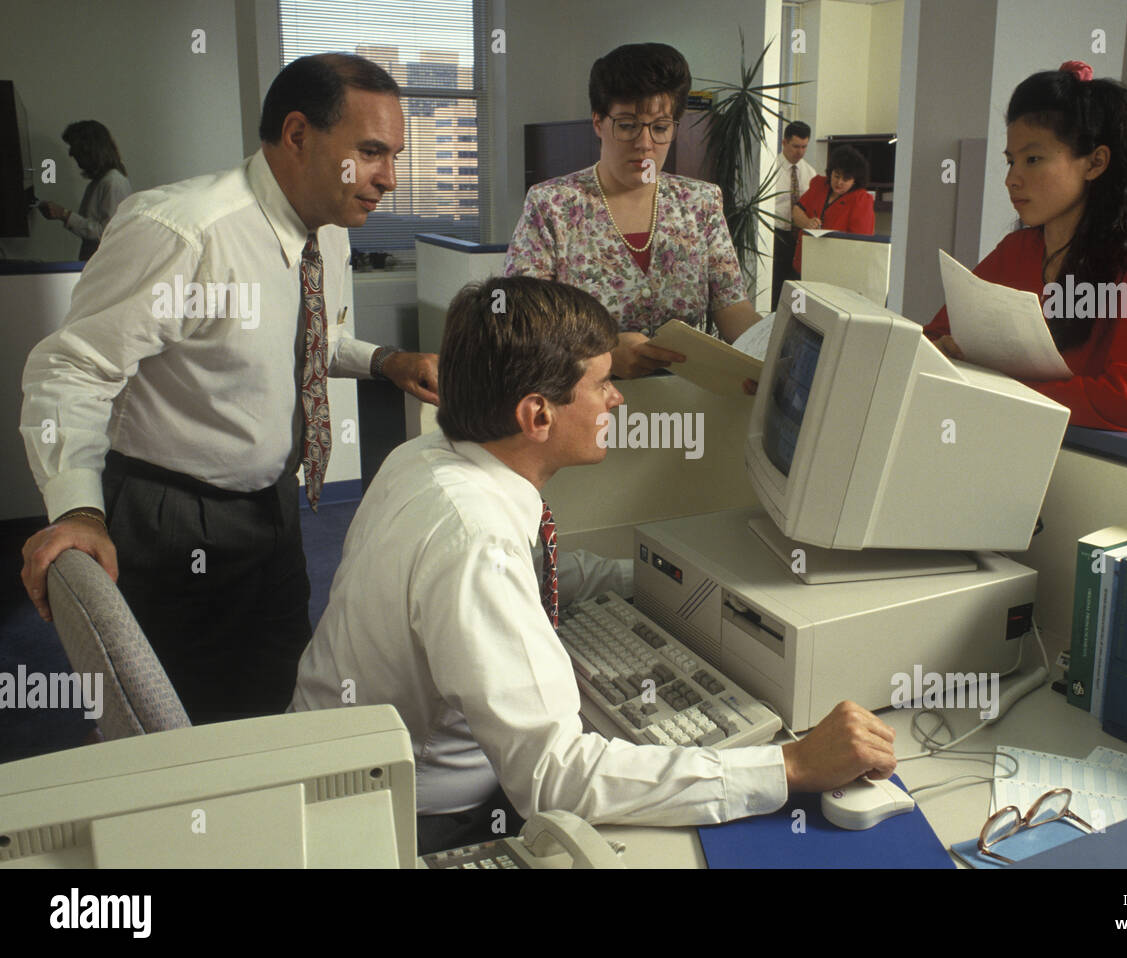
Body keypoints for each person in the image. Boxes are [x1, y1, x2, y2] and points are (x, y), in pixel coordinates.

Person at [291, 275, 897, 854]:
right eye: (602, 383)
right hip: (419, 817)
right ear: (538, 416)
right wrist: (789, 765)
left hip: (328, 769)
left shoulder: (427, 457)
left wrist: (671, 583)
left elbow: (542, 575)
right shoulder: (478, 543)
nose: (618, 397)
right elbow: (556, 779)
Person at [19, 53, 440, 725]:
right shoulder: (179, 230)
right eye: (371, 152)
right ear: (299, 135)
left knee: (277, 688)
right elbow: (71, 369)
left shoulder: (328, 231)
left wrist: (386, 360)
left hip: (273, 508)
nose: (389, 179)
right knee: (185, 723)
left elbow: (306, 344)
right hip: (171, 517)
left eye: (394, 155)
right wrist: (77, 510)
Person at [925, 61, 1127, 432]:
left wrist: (995, 382)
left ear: (1095, 163)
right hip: (1001, 441)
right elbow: (935, 337)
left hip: (1088, 466)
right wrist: (944, 354)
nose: (1012, 180)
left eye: (1033, 160)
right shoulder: (1016, 249)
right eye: (1011, 161)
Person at [503, 42, 762, 381]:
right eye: (627, 125)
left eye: (660, 127)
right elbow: (519, 324)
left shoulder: (700, 202)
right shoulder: (553, 205)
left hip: (689, 402)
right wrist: (602, 354)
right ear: (598, 122)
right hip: (587, 404)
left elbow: (733, 309)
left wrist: (771, 352)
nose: (644, 143)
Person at [38, 120, 132, 260]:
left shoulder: (113, 182)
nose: (70, 153)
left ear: (89, 149)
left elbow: (108, 233)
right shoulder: (99, 183)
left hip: (105, 266)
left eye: (74, 147)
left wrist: (64, 214)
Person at [791, 144, 875, 273]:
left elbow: (860, 244)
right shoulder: (819, 185)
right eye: (836, 176)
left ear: (855, 181)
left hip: (836, 269)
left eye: (846, 179)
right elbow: (797, 211)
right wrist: (807, 223)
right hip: (805, 263)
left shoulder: (861, 200)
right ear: (831, 172)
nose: (839, 182)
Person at [771, 120, 816, 310]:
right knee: (775, 286)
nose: (800, 152)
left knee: (798, 288)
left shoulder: (810, 172)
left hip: (799, 238)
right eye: (796, 146)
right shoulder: (771, 167)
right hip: (776, 234)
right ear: (784, 143)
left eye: (804, 147)